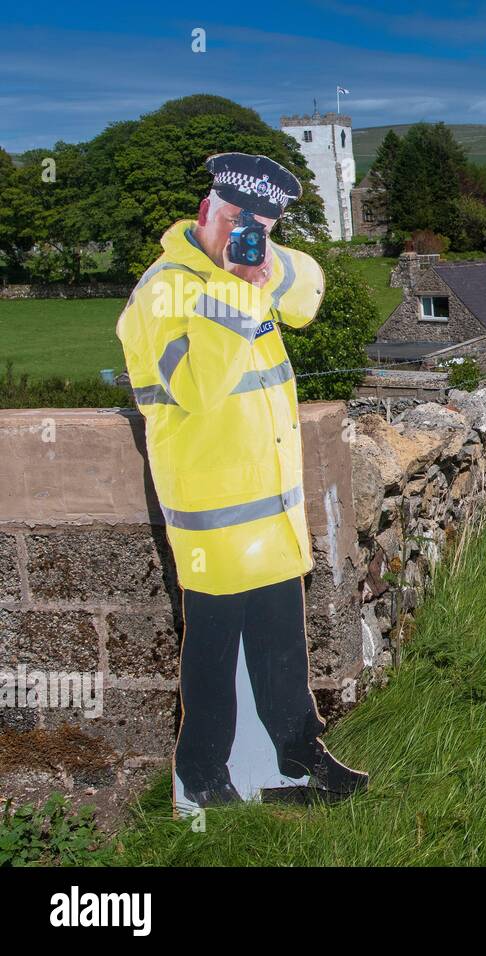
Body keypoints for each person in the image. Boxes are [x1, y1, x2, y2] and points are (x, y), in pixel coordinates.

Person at [115, 153, 368, 809]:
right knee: (215, 653)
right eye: (234, 219)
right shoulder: (162, 292)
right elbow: (198, 387)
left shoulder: (251, 269)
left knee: (281, 642)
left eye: (262, 224)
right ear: (205, 211)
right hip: (213, 516)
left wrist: (267, 266)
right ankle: (202, 776)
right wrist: (234, 286)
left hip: (271, 510)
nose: (245, 234)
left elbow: (309, 296)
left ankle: (297, 753)